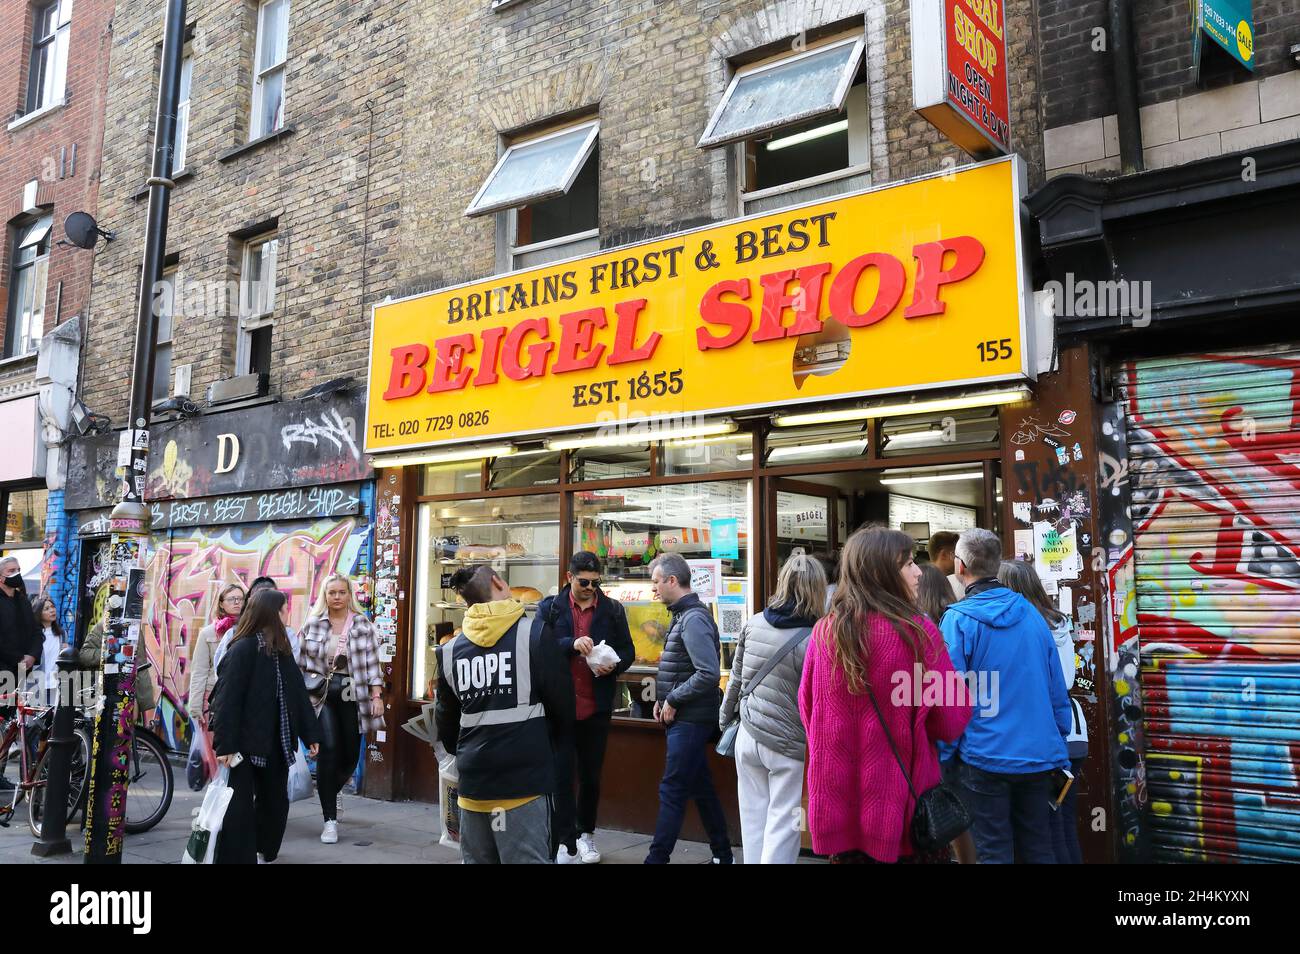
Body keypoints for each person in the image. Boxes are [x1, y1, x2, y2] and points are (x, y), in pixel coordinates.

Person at [799, 527, 971, 864]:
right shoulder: (919, 635)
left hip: (842, 822)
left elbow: (808, 712)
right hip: (906, 820)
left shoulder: (824, 632)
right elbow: (951, 721)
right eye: (908, 564)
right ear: (882, 574)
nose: (919, 571)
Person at [941, 529, 1071, 864]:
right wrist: (1058, 735)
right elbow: (1055, 686)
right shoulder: (1033, 615)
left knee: (993, 850)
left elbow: (950, 698)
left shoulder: (957, 621)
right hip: (1038, 754)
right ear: (996, 565)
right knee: (1038, 847)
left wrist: (945, 754)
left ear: (960, 566)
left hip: (984, 756)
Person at [435, 564, 573, 864]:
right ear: (499, 582)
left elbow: (445, 727)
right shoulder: (535, 634)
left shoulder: (449, 651)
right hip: (525, 784)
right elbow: (564, 709)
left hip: (473, 785)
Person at [720, 552, 824, 864]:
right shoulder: (818, 636)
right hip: (790, 743)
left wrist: (725, 722)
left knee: (752, 818)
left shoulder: (753, 624)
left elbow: (735, 682)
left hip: (748, 736)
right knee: (785, 823)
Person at [533, 550, 635, 864]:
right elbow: (538, 645)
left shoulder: (613, 610)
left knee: (591, 776)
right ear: (569, 577)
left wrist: (614, 666)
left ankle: (586, 834)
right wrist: (571, 644)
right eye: (584, 582)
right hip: (561, 708)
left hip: (596, 707)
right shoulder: (550, 608)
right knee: (562, 776)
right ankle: (566, 842)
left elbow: (628, 650)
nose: (590, 588)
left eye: (595, 582)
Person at [209, 588, 321, 864]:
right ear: (271, 613)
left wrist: (310, 734)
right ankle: (238, 858)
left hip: (277, 741)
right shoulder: (243, 648)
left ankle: (265, 851)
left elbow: (297, 694)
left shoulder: (281, 650)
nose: (287, 615)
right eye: (283, 610)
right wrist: (225, 745)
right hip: (244, 743)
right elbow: (226, 699)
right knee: (240, 807)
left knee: (275, 803)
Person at [644, 552, 733, 865]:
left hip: (692, 720)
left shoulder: (693, 618)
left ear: (671, 580)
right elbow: (683, 668)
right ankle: (723, 855)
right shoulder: (681, 615)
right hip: (684, 717)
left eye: (656, 582)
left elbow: (708, 673)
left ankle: (656, 859)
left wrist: (672, 698)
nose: (653, 588)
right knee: (701, 786)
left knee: (672, 788)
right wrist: (662, 698)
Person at [998, 559, 1082, 864]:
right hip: (1073, 731)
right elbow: (1068, 679)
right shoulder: (1058, 622)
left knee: (1047, 831)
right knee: (1064, 827)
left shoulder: (1022, 628)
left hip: (1044, 734)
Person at [297, 574, 385, 844]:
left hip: (352, 693)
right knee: (330, 749)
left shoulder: (363, 626)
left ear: (350, 595)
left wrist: (377, 695)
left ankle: (331, 790)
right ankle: (329, 820)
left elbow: (372, 664)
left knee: (349, 755)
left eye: (341, 592)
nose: (336, 597)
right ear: (325, 595)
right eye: (331, 592)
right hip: (320, 696)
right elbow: (300, 664)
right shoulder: (313, 625)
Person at [188, 583, 245, 729]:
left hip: (242, 697)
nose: (237, 602)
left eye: (240, 598)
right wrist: (195, 706)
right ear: (221, 603)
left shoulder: (250, 630)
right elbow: (199, 671)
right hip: (213, 697)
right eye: (232, 599)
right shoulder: (208, 633)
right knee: (213, 749)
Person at [213, 575, 296, 670]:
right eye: (261, 599)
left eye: (271, 600)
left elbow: (291, 670)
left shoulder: (288, 635)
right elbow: (221, 670)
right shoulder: (234, 633)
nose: (266, 604)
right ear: (250, 602)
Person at [0, 556, 40, 707]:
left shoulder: (23, 601)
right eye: (11, 571)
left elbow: (36, 631)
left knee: (18, 718)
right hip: (3, 667)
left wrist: (33, 655)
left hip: (23, 670)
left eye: (18, 570)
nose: (17, 574)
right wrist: (19, 658)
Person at [30, 595, 64, 705]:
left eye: (52, 607)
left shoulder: (62, 634)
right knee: (32, 721)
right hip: (36, 685)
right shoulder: (32, 635)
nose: (52, 610)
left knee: (52, 721)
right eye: (46, 609)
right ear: (38, 613)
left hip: (55, 685)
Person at [927, 531, 965, 600]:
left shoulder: (922, 582)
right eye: (956, 554)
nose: (960, 559)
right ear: (943, 554)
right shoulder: (955, 585)